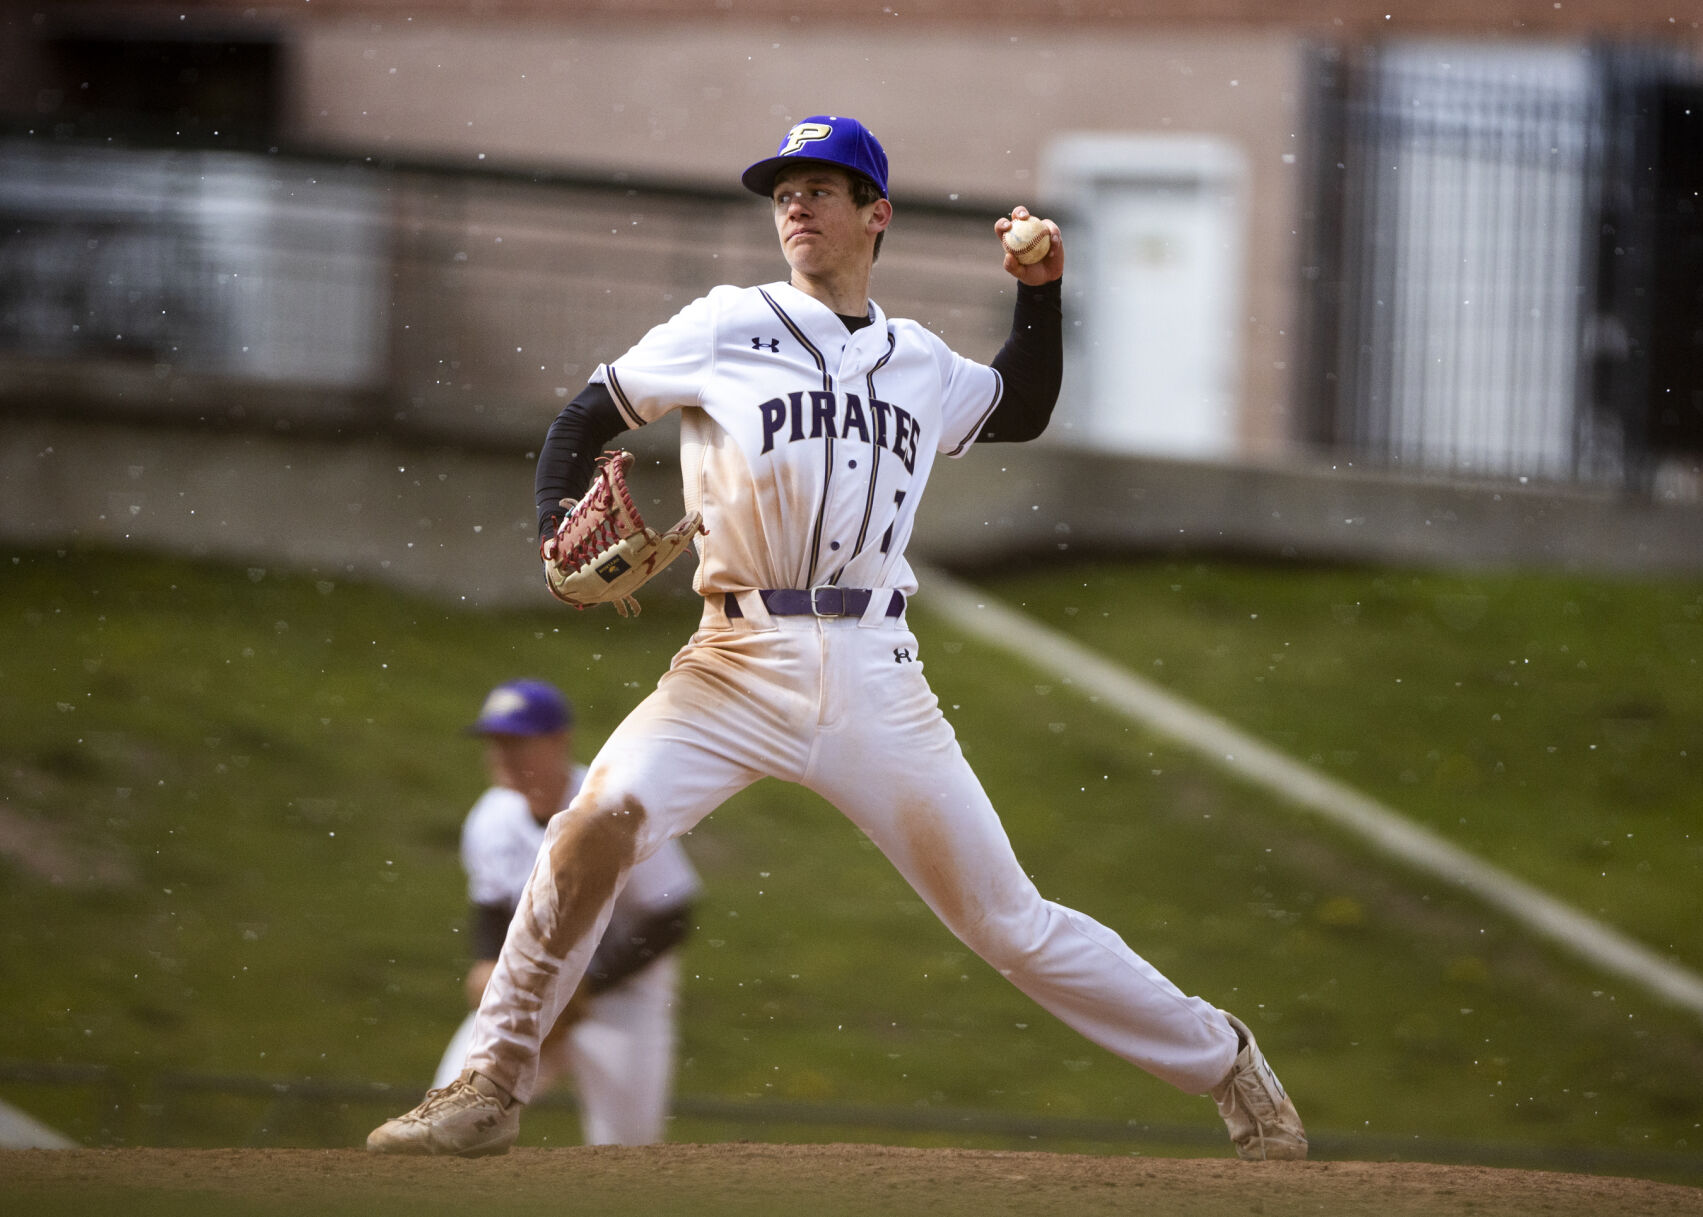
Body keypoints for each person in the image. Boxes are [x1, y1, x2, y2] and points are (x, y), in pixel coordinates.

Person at [368, 113, 1307, 1161]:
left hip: (875, 672)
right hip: (732, 660)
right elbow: (582, 418)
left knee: (1006, 921)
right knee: (591, 824)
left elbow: (1022, 406)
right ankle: (491, 1081)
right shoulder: (725, 323)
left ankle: (1225, 1060)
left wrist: (1038, 290)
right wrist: (552, 519)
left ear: (876, 215)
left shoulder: (915, 360)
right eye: (783, 192)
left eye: (820, 187)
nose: (796, 206)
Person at [428, 678, 700, 1146]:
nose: (502, 756)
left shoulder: (612, 806)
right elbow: (491, 905)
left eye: (517, 742)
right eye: (495, 743)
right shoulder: (491, 816)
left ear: (560, 741)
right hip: (529, 994)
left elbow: (672, 917)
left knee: (626, 1150)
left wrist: (588, 984)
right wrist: (488, 963)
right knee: (448, 1121)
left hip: (620, 1001)